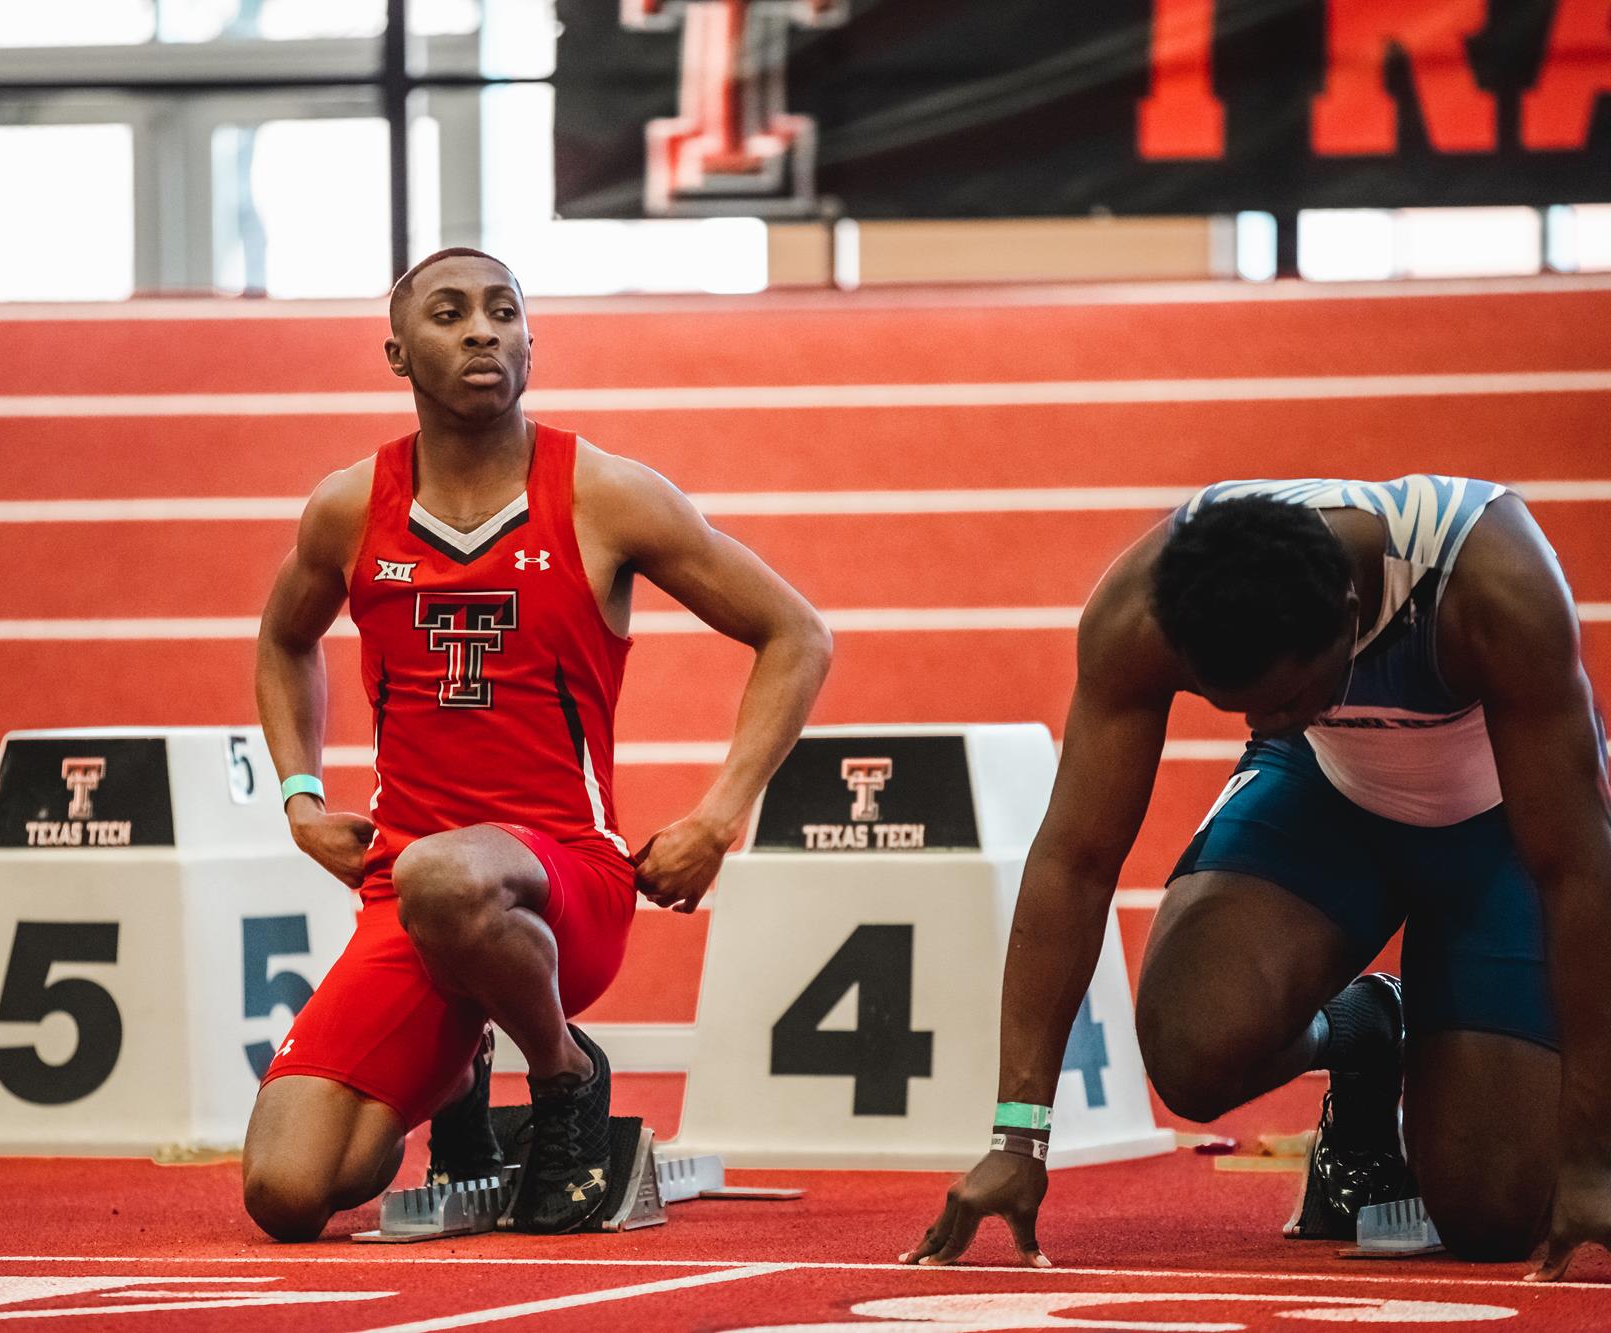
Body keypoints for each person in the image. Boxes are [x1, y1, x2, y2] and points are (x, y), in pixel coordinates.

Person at [241, 248, 832, 1240]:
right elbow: (283, 638)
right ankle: (461, 1067)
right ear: (397, 351)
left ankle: (563, 1076)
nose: (482, 330)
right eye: (450, 313)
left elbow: (796, 634)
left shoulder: (605, 494)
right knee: (292, 1191)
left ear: (528, 342)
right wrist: (299, 796)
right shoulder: (348, 507)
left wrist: (717, 817)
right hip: (407, 895)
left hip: (570, 890)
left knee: (445, 873)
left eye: (502, 311)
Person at [901, 476, 1611, 1277]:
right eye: (1237, 708)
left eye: (1287, 694)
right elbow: (1076, 857)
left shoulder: (1491, 586)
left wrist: (1593, 1151)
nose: (1263, 721)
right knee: (1190, 1048)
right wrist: (1018, 1137)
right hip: (1329, 788)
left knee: (1496, 1216)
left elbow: (1578, 872)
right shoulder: (1148, 605)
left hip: (1500, 826)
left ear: (1350, 613)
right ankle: (1370, 1027)